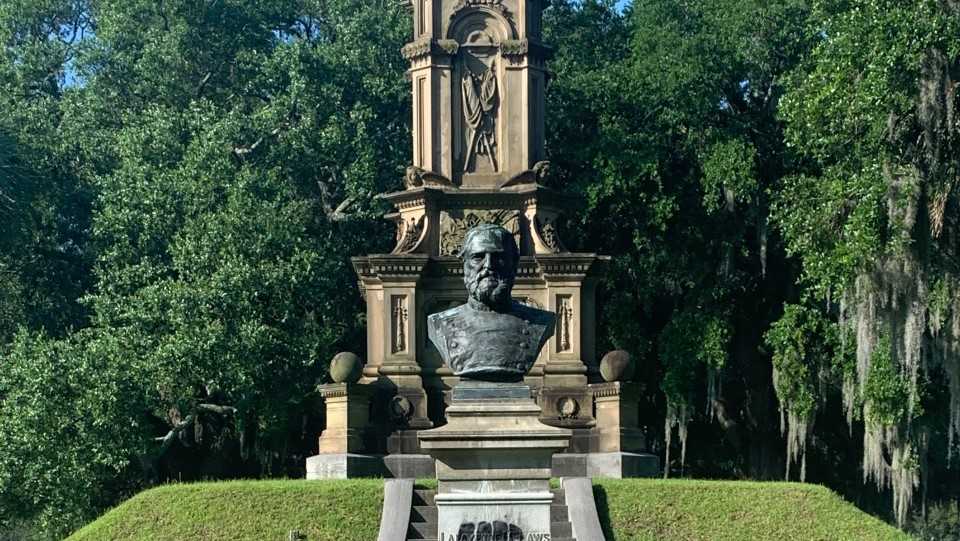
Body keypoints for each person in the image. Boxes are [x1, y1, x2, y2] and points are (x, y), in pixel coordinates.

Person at [428, 224, 555, 381]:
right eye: (478, 257)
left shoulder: (540, 322)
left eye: (499, 257)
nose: (489, 265)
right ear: (464, 265)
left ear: (514, 264)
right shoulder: (439, 323)